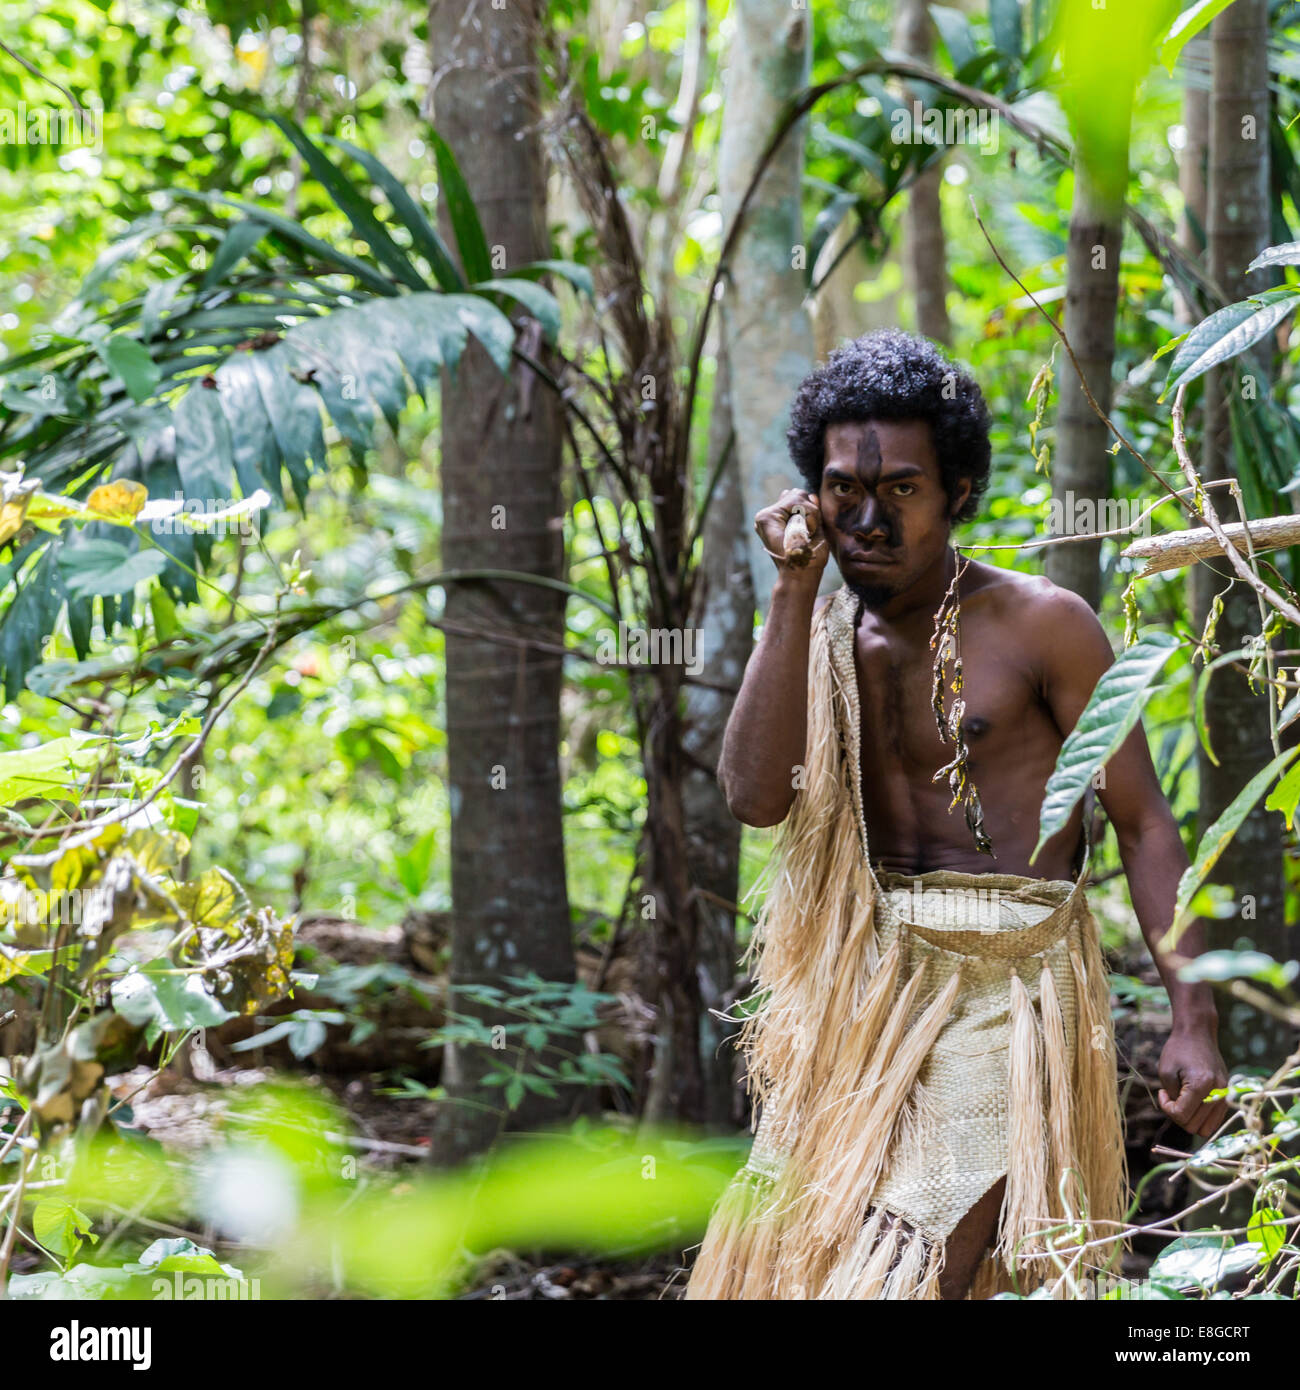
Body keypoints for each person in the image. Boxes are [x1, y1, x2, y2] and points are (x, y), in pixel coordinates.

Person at [686, 329, 1228, 1301]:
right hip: (863, 992)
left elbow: (1144, 822)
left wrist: (1193, 1017)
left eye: (901, 488)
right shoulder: (819, 633)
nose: (867, 519)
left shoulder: (1043, 625)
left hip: (1009, 987)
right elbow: (755, 797)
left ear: (958, 492)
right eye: (843, 490)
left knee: (902, 1275)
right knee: (783, 1266)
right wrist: (792, 590)